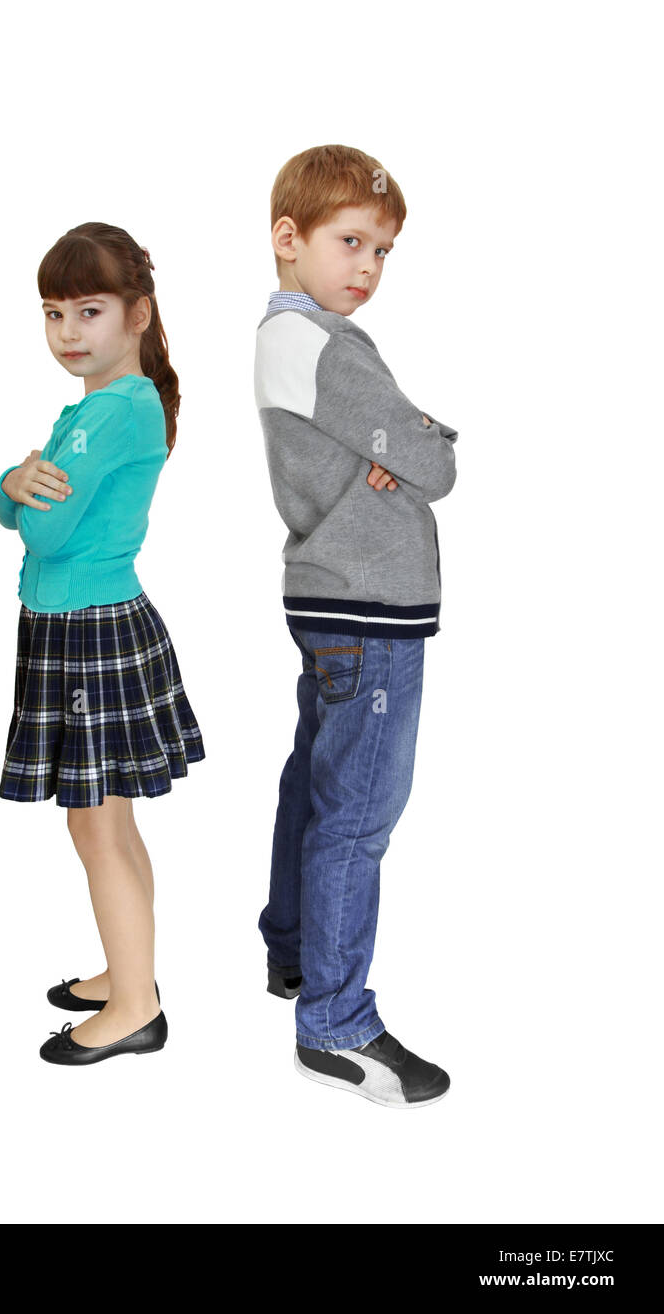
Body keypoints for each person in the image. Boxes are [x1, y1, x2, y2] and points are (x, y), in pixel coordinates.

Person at [254, 145, 459, 1107]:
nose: (368, 267)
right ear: (288, 241)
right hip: (367, 608)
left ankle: (295, 953)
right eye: (350, 242)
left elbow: (406, 449)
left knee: (317, 783)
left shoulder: (306, 338)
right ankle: (336, 1023)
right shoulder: (323, 345)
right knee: (358, 816)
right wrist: (423, 439)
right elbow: (436, 462)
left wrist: (407, 444)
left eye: (382, 250)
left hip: (338, 599)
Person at [0, 222, 205, 1067]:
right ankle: (131, 976)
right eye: (53, 313)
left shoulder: (110, 413)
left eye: (89, 310)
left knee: (97, 827)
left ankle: (134, 1009)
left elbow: (38, 529)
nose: (69, 332)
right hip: (86, 628)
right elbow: (19, 503)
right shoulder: (110, 405)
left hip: (88, 633)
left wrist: (16, 489)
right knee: (105, 821)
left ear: (138, 314)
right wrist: (9, 487)